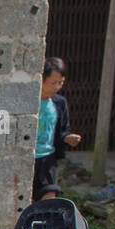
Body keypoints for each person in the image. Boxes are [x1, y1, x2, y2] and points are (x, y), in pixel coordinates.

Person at [32, 57, 82, 202]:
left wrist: (68, 137)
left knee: (48, 198)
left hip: (48, 159)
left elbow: (63, 131)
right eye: (53, 82)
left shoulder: (60, 103)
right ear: (42, 79)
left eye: (60, 83)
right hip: (30, 158)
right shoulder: (30, 103)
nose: (57, 87)